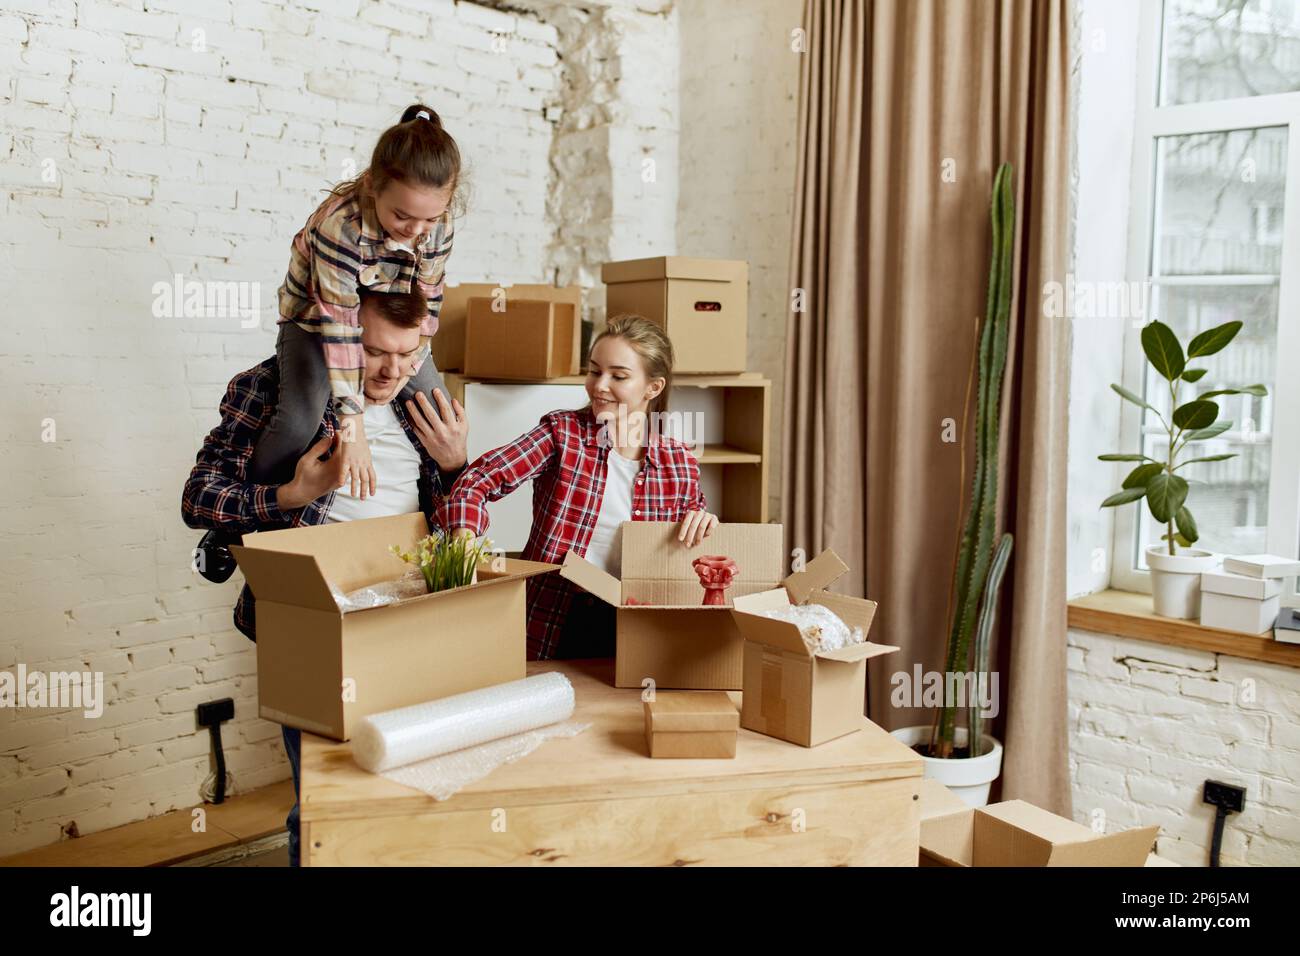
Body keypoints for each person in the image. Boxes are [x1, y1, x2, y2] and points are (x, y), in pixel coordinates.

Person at [181, 289, 469, 866]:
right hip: (313, 623)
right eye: (374, 350)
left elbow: (453, 512)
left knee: (411, 781)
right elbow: (197, 498)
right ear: (339, 341)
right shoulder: (272, 389)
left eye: (408, 354)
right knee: (322, 798)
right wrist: (293, 494)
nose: (391, 370)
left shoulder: (423, 403)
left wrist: (456, 464)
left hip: (410, 618)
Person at [195, 103, 461, 580]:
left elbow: (429, 302)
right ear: (374, 186)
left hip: (390, 313)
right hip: (317, 321)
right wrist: (352, 427)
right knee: (298, 416)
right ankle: (238, 530)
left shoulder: (434, 225)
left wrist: (409, 358)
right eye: (402, 216)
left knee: (436, 408)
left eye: (428, 220)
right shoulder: (340, 225)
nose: (416, 231)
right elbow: (341, 327)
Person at [439, 315, 717, 661]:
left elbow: (694, 534)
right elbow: (477, 481)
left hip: (635, 624)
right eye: (594, 371)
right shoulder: (562, 434)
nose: (600, 386)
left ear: (653, 388)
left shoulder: (680, 462)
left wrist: (706, 522)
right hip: (554, 619)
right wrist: (464, 540)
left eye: (618, 376)